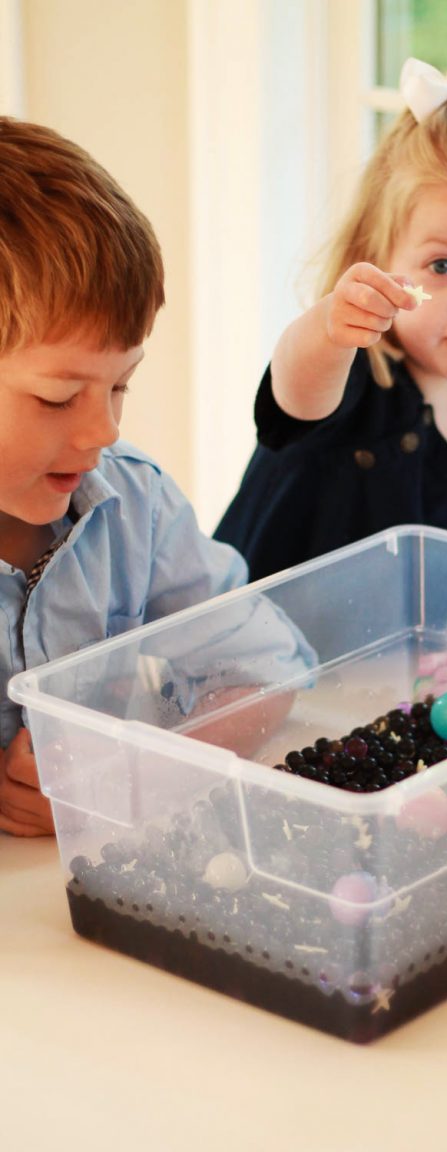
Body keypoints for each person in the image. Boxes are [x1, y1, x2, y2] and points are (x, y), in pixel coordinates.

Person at [215, 49, 447, 700]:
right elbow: (295, 397)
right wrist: (330, 328)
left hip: (369, 697)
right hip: (245, 669)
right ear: (374, 261)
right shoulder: (358, 383)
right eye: (444, 265)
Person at [0, 117, 313, 838]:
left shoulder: (134, 504)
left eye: (120, 386)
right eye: (58, 397)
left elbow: (268, 668)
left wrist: (141, 774)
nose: (104, 431)